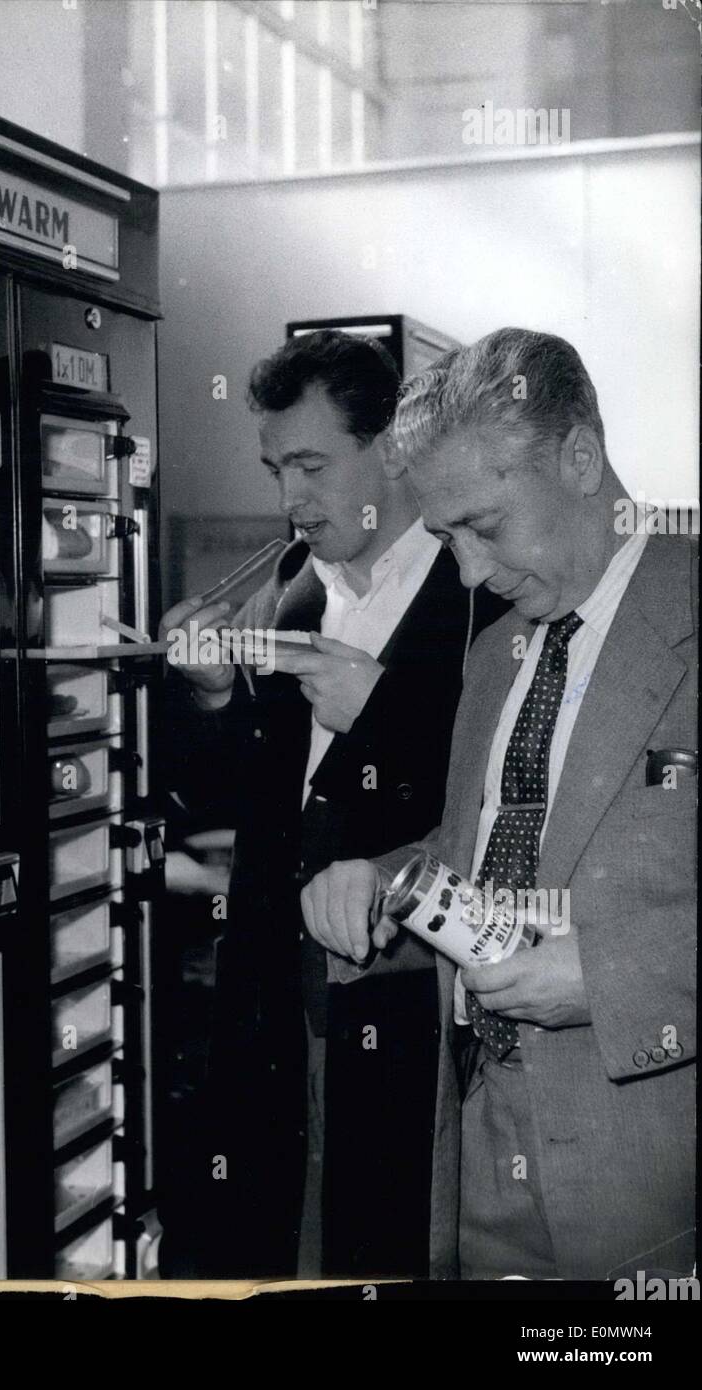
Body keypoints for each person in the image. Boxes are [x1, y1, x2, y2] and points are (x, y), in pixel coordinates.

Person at [301, 327, 697, 1280]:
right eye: (444, 539)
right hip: (477, 1159)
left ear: (577, 457)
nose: (470, 574)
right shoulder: (495, 659)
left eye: (482, 525)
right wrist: (381, 880)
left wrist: (608, 977)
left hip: (656, 1183)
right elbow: (469, 856)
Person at [157, 330, 506, 1277]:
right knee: (282, 1239)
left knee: (385, 1239)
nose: (289, 500)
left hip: (407, 1009)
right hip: (280, 1005)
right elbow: (254, 801)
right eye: (276, 469)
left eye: (310, 465)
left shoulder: (480, 594)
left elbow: (508, 799)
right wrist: (215, 696)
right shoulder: (289, 594)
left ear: (391, 447)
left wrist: (381, 716)